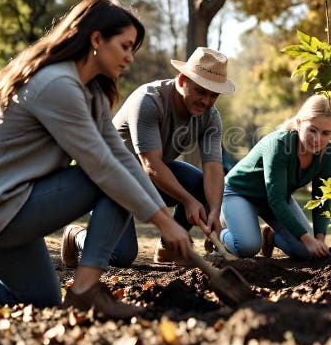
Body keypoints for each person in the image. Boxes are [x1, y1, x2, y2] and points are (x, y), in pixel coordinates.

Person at [0, 0, 194, 318]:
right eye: (124, 46)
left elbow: (120, 156)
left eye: (132, 49)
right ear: (96, 39)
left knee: (41, 301)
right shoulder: (57, 84)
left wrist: (164, 218)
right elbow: (104, 167)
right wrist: (165, 222)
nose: (129, 57)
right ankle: (85, 289)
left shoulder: (90, 92)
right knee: (109, 183)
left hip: (8, 205)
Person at [60, 47, 234, 268]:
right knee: (120, 257)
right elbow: (150, 164)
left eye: (213, 95)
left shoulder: (211, 116)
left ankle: (168, 248)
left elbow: (213, 168)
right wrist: (188, 201)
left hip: (148, 177)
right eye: (201, 91)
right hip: (112, 178)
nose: (206, 101)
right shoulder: (149, 100)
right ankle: (75, 236)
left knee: (200, 186)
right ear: (182, 80)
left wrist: (215, 212)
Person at [219, 95, 331, 259]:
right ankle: (220, 232)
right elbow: (277, 200)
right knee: (247, 247)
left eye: (325, 133)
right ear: (300, 123)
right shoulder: (279, 145)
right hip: (239, 193)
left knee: (307, 253)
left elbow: (322, 198)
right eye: (312, 130)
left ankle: (270, 237)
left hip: (274, 199)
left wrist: (319, 240)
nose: (318, 139)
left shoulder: (327, 153)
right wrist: (307, 239)